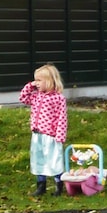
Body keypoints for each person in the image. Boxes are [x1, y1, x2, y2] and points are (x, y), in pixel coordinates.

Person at [19, 64, 68, 197]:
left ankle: (59, 185)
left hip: (51, 136)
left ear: (50, 81)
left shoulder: (58, 98)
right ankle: (41, 186)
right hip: (37, 134)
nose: (37, 83)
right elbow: (23, 98)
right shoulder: (36, 96)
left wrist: (60, 136)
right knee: (38, 159)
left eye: (40, 81)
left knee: (54, 160)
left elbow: (62, 118)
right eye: (36, 80)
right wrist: (31, 85)